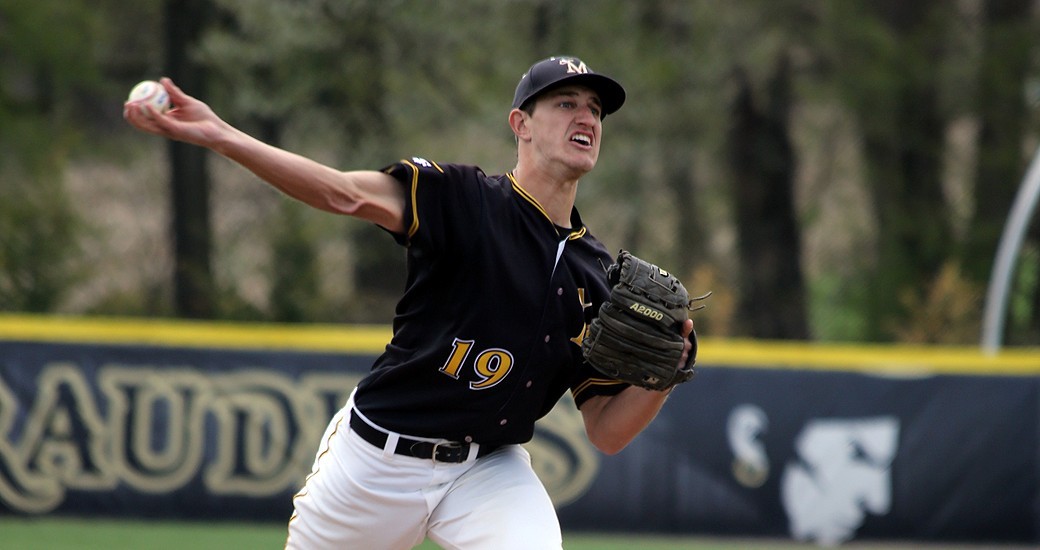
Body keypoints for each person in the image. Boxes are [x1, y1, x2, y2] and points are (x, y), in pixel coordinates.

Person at [124, 55, 696, 550]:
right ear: (520, 124)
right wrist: (220, 133)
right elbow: (342, 194)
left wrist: (664, 375)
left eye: (595, 109)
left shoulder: (597, 276)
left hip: (486, 468)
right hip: (376, 461)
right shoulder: (463, 198)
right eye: (566, 103)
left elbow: (606, 430)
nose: (586, 118)